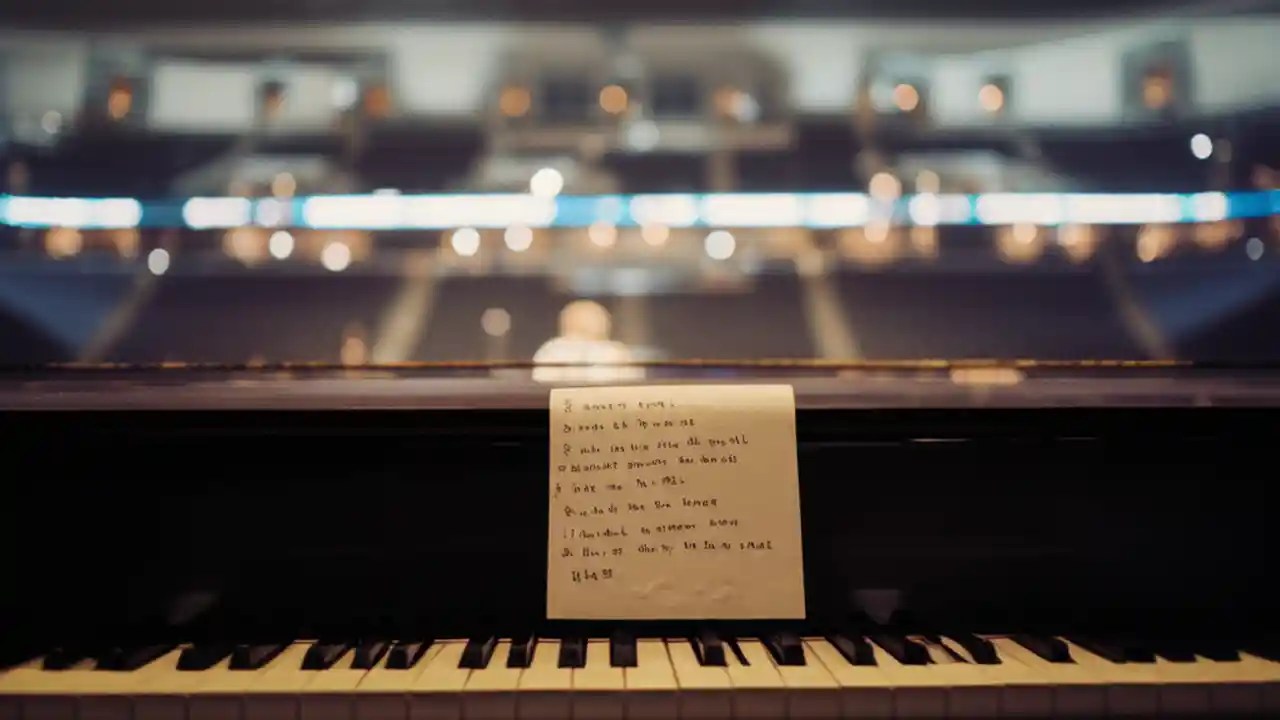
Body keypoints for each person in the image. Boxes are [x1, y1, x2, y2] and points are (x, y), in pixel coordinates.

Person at [532, 299, 642, 383]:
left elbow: (633, 385)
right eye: (592, 316)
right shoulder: (554, 350)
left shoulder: (617, 351)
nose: (603, 321)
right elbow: (541, 384)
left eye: (601, 316)